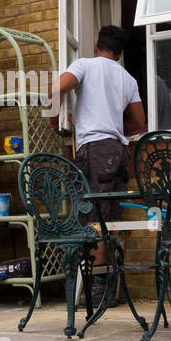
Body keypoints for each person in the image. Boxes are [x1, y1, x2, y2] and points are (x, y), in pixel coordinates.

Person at [53, 26, 146, 301]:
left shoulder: (84, 65)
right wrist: (112, 125)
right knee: (111, 217)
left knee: (94, 218)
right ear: (119, 54)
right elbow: (139, 122)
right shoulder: (128, 78)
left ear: (96, 47)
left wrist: (54, 119)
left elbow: (57, 87)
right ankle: (109, 284)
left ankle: (98, 287)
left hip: (95, 150)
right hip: (119, 150)